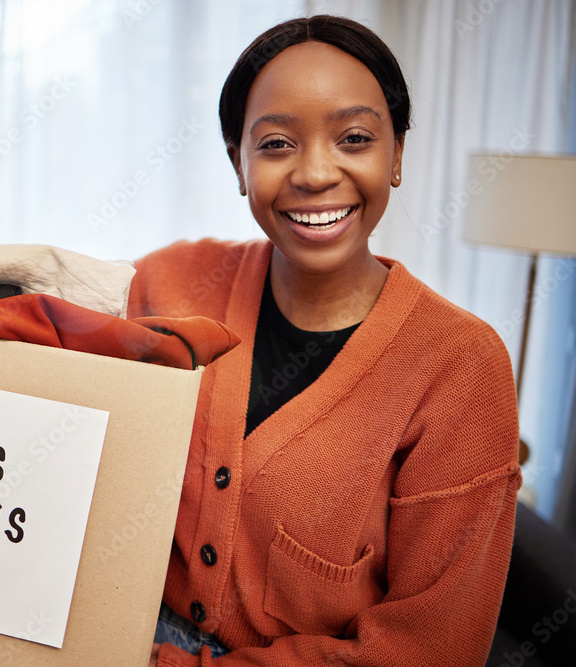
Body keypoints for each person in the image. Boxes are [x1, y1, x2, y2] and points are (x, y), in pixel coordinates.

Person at [133, 15, 521, 667]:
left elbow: (432, 648)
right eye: (278, 143)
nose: (315, 173)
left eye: (355, 138)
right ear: (239, 163)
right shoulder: (167, 281)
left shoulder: (461, 367)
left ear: (396, 156)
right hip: (120, 627)